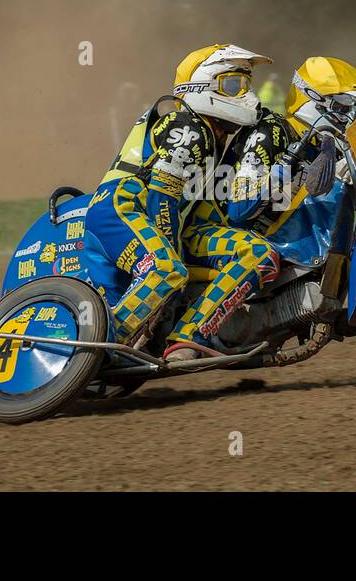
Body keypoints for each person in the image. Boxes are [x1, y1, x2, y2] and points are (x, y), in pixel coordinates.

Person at [85, 44, 280, 362]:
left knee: (257, 253)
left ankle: (188, 337)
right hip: (122, 206)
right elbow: (162, 198)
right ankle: (102, 347)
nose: (247, 94)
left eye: (247, 84)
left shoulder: (215, 142)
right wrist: (177, 265)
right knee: (167, 270)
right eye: (234, 84)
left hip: (170, 223)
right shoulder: (190, 128)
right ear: (203, 86)